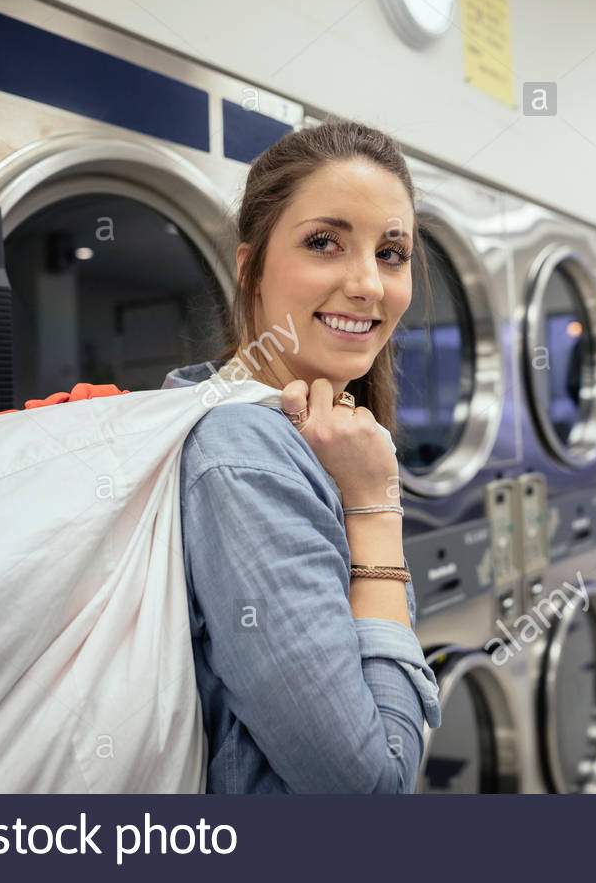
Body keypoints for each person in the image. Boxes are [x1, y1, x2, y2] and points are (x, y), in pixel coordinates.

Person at [159, 119, 442, 793]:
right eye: (325, 243)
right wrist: (374, 509)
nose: (369, 283)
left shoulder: (276, 428)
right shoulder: (243, 454)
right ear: (248, 268)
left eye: (391, 252)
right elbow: (367, 788)